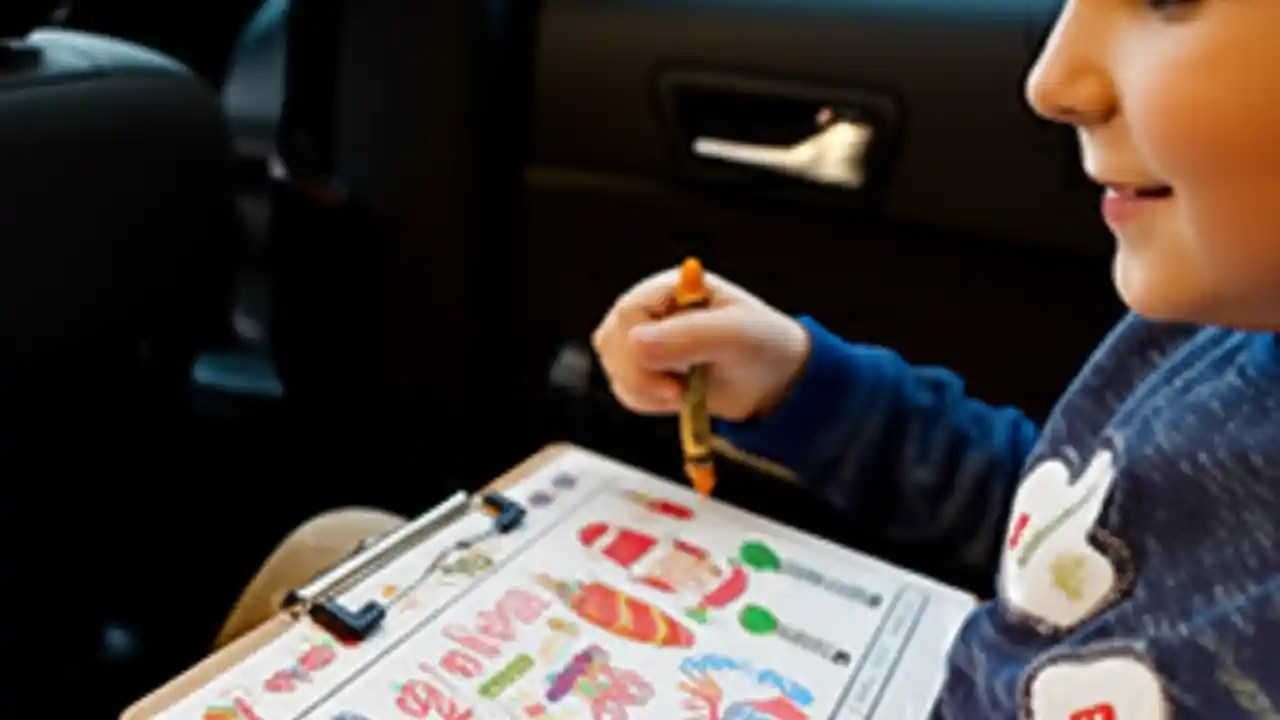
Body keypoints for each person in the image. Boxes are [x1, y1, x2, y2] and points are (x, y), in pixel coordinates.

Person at [219, 0, 1279, 716]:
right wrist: (802, 384)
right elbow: (1072, 530)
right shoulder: (1209, 328)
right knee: (333, 550)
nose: (1052, 79)